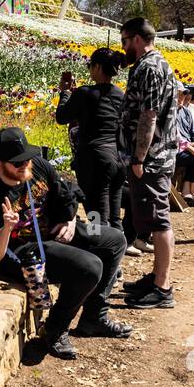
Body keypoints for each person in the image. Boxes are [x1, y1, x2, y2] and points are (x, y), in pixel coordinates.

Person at [0, 127, 132, 363]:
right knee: (90, 267)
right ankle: (55, 330)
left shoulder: (38, 166)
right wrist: (6, 228)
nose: (25, 164)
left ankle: (94, 317)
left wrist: (69, 219)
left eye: (26, 157)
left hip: (56, 229)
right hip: (26, 248)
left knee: (114, 239)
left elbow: (64, 195)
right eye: (17, 163)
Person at [118, 17, 180, 310]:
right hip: (156, 155)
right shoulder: (154, 65)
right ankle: (156, 276)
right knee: (153, 219)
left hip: (152, 157)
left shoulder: (150, 68)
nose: (123, 47)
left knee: (158, 220)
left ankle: (162, 287)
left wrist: (139, 157)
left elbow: (149, 114)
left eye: (125, 41)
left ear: (138, 40)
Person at [56, 48, 130, 247]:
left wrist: (65, 93)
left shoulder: (85, 93)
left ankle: (102, 256)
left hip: (95, 161)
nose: (89, 69)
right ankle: (116, 259)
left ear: (97, 67)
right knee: (114, 216)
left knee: (96, 215)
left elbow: (62, 117)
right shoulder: (119, 94)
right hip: (118, 161)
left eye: (90, 66)